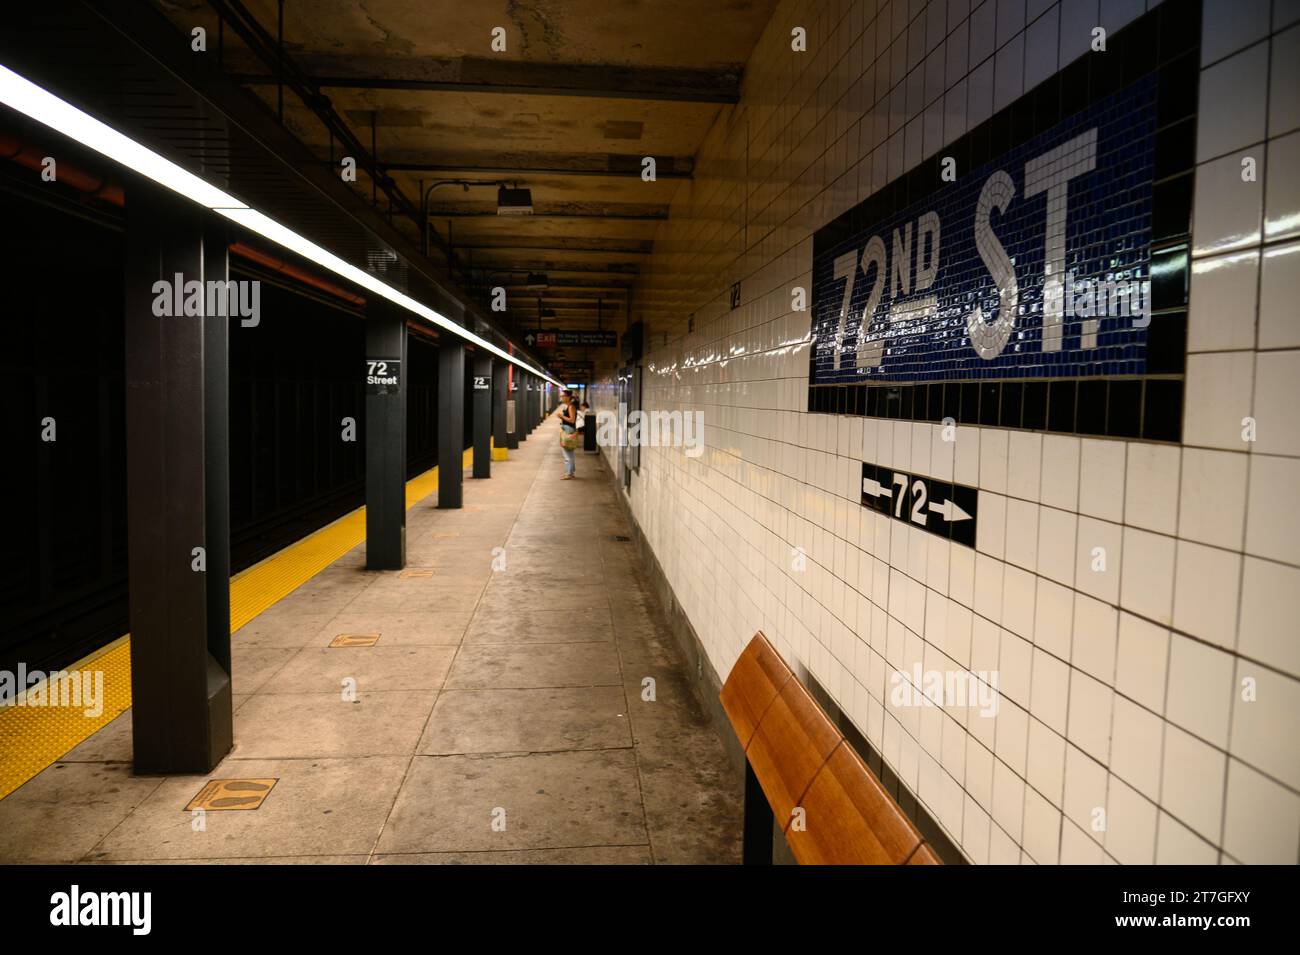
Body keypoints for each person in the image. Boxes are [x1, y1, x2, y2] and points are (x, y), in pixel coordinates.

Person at [556, 392, 578, 479]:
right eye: (561, 396)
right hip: (568, 429)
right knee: (570, 453)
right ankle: (571, 472)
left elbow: (572, 420)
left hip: (568, 430)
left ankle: (568, 474)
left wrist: (561, 416)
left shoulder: (571, 407)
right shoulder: (568, 406)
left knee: (567, 454)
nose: (562, 397)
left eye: (563, 396)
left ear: (568, 397)